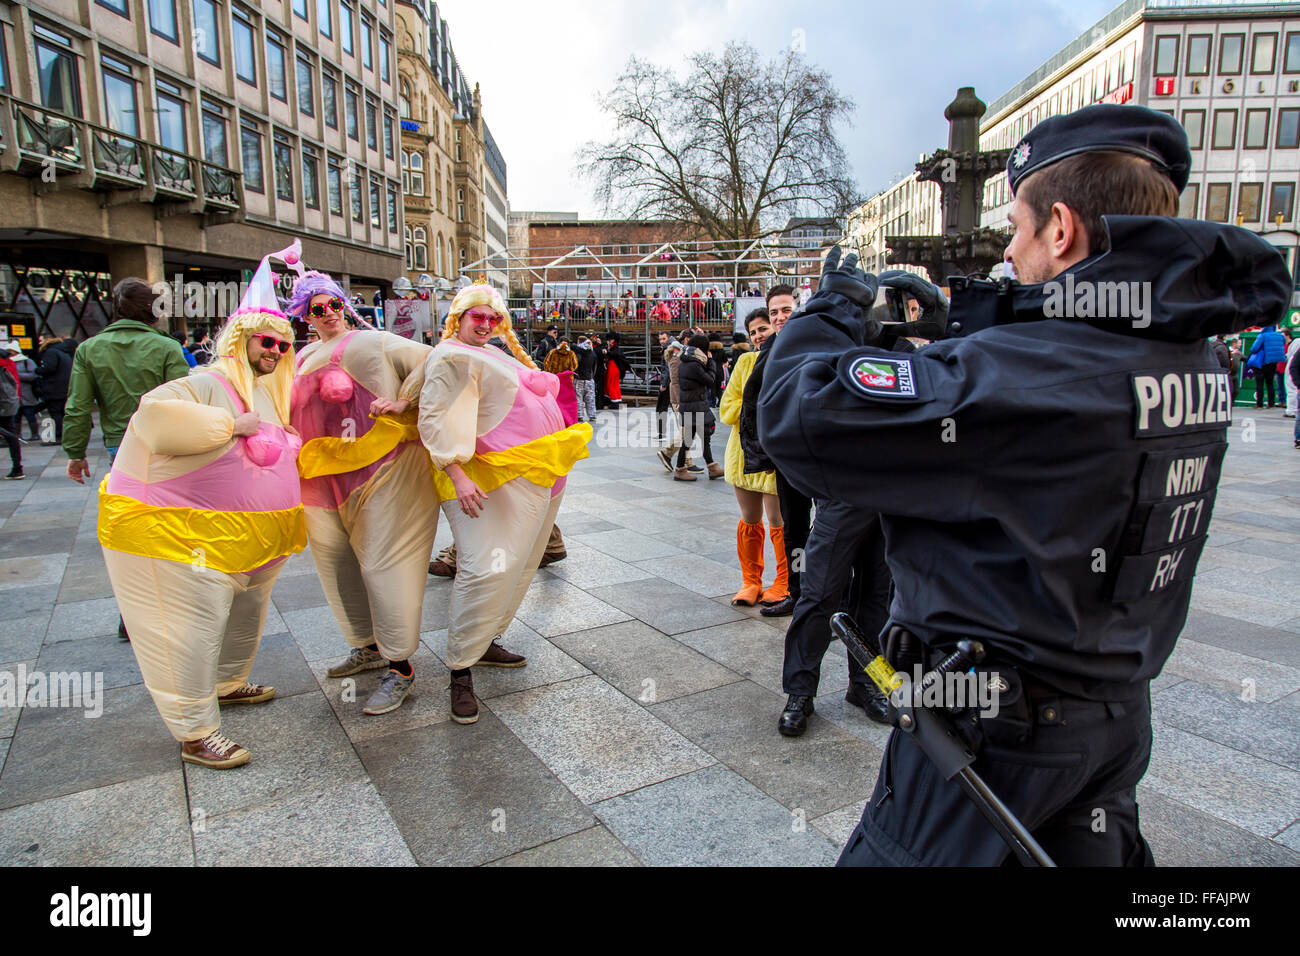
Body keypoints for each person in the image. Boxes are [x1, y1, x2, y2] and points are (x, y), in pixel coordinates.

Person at [759, 105, 1291, 866]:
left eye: (1017, 227)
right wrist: (958, 342)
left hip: (993, 740)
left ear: (1062, 228)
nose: (1008, 250)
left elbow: (795, 415)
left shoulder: (1030, 374)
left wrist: (833, 307)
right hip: (1108, 716)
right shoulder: (1187, 357)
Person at [97, 253, 305, 769]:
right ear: (242, 341)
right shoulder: (207, 381)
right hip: (180, 538)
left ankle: (228, 684)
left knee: (243, 619)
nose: (276, 352)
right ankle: (195, 733)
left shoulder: (263, 392)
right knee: (187, 630)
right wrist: (227, 428)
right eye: (267, 342)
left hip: (244, 544)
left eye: (282, 345)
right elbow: (156, 418)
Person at [418, 285, 591, 723]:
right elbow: (434, 415)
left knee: (518, 564)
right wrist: (456, 473)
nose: (485, 324)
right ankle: (460, 670)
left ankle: (486, 638)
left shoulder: (493, 353)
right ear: (457, 317)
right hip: (488, 481)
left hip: (533, 476)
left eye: (492, 318)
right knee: (485, 568)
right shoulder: (451, 355)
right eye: (476, 316)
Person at [286, 246, 437, 717]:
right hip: (322, 476)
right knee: (336, 563)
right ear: (303, 314)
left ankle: (401, 666)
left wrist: (404, 403)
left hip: (384, 469)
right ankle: (367, 645)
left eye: (334, 303)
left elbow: (436, 360)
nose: (328, 313)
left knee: (383, 564)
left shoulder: (375, 342)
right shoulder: (302, 356)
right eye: (317, 308)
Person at [65, 280, 191, 482]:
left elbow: (78, 406)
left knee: (128, 503)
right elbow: (184, 402)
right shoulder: (168, 347)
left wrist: (76, 452)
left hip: (120, 441)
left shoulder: (88, 349)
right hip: (162, 442)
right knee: (165, 506)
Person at [719, 309, 785, 604]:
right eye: (754, 331)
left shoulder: (788, 359)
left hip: (775, 455)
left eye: (763, 328)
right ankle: (751, 582)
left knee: (779, 521)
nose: (759, 335)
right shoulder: (745, 362)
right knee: (749, 518)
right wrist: (754, 407)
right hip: (743, 452)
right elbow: (727, 408)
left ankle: (785, 581)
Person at [755, 283, 807, 618]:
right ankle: (798, 593)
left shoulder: (815, 339)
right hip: (788, 454)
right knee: (795, 526)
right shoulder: (769, 348)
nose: (779, 317)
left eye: (786, 309)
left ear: (799, 308)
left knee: (834, 530)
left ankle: (838, 598)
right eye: (774, 311)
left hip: (821, 452)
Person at [673, 335, 723, 481]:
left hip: (693, 406)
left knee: (700, 438)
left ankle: (711, 467)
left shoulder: (686, 362)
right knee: (692, 439)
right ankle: (680, 470)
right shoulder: (694, 365)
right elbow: (710, 380)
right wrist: (712, 361)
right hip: (695, 407)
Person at [35, 333, 74, 443]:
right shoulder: (63, 351)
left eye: (41, 340)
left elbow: (49, 368)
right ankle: (66, 435)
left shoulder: (50, 352)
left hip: (54, 388)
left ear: (48, 339)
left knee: (55, 412)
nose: (39, 342)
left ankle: (59, 436)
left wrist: (38, 370)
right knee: (62, 412)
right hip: (64, 387)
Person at [1247, 323, 1286, 408]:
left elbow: (1254, 348)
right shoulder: (1280, 336)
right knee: (1270, 383)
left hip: (1262, 363)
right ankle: (1271, 403)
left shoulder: (1262, 335)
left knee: (1259, 383)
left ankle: (1259, 403)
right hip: (1273, 363)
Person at [544, 337, 579, 425]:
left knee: (554, 400)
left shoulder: (553, 352)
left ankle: (555, 419)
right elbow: (575, 366)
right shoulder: (571, 354)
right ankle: (568, 419)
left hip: (554, 380)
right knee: (567, 402)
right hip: (567, 381)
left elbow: (546, 364)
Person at [0, 342, 21, 480]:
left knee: (10, 435)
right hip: (10, 402)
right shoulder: (8, 363)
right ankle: (17, 468)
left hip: (3, 404)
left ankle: (17, 468)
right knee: (11, 435)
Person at [11, 343, 40, 442]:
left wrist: (16, 375)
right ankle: (17, 435)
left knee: (30, 415)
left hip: (27, 393)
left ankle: (35, 434)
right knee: (16, 416)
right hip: (13, 394)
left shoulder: (27, 361)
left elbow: (33, 375)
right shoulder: (7, 362)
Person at [574, 335, 598, 423]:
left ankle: (579, 415)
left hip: (579, 378)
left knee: (578, 397)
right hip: (589, 378)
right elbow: (595, 366)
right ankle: (592, 415)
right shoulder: (592, 352)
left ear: (579, 342)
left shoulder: (577, 352)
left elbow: (576, 364)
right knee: (590, 398)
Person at [604, 332, 631, 407]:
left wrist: (607, 352)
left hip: (613, 367)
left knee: (611, 384)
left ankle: (614, 401)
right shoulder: (616, 347)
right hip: (616, 368)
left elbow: (614, 354)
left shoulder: (614, 348)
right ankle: (617, 399)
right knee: (615, 384)